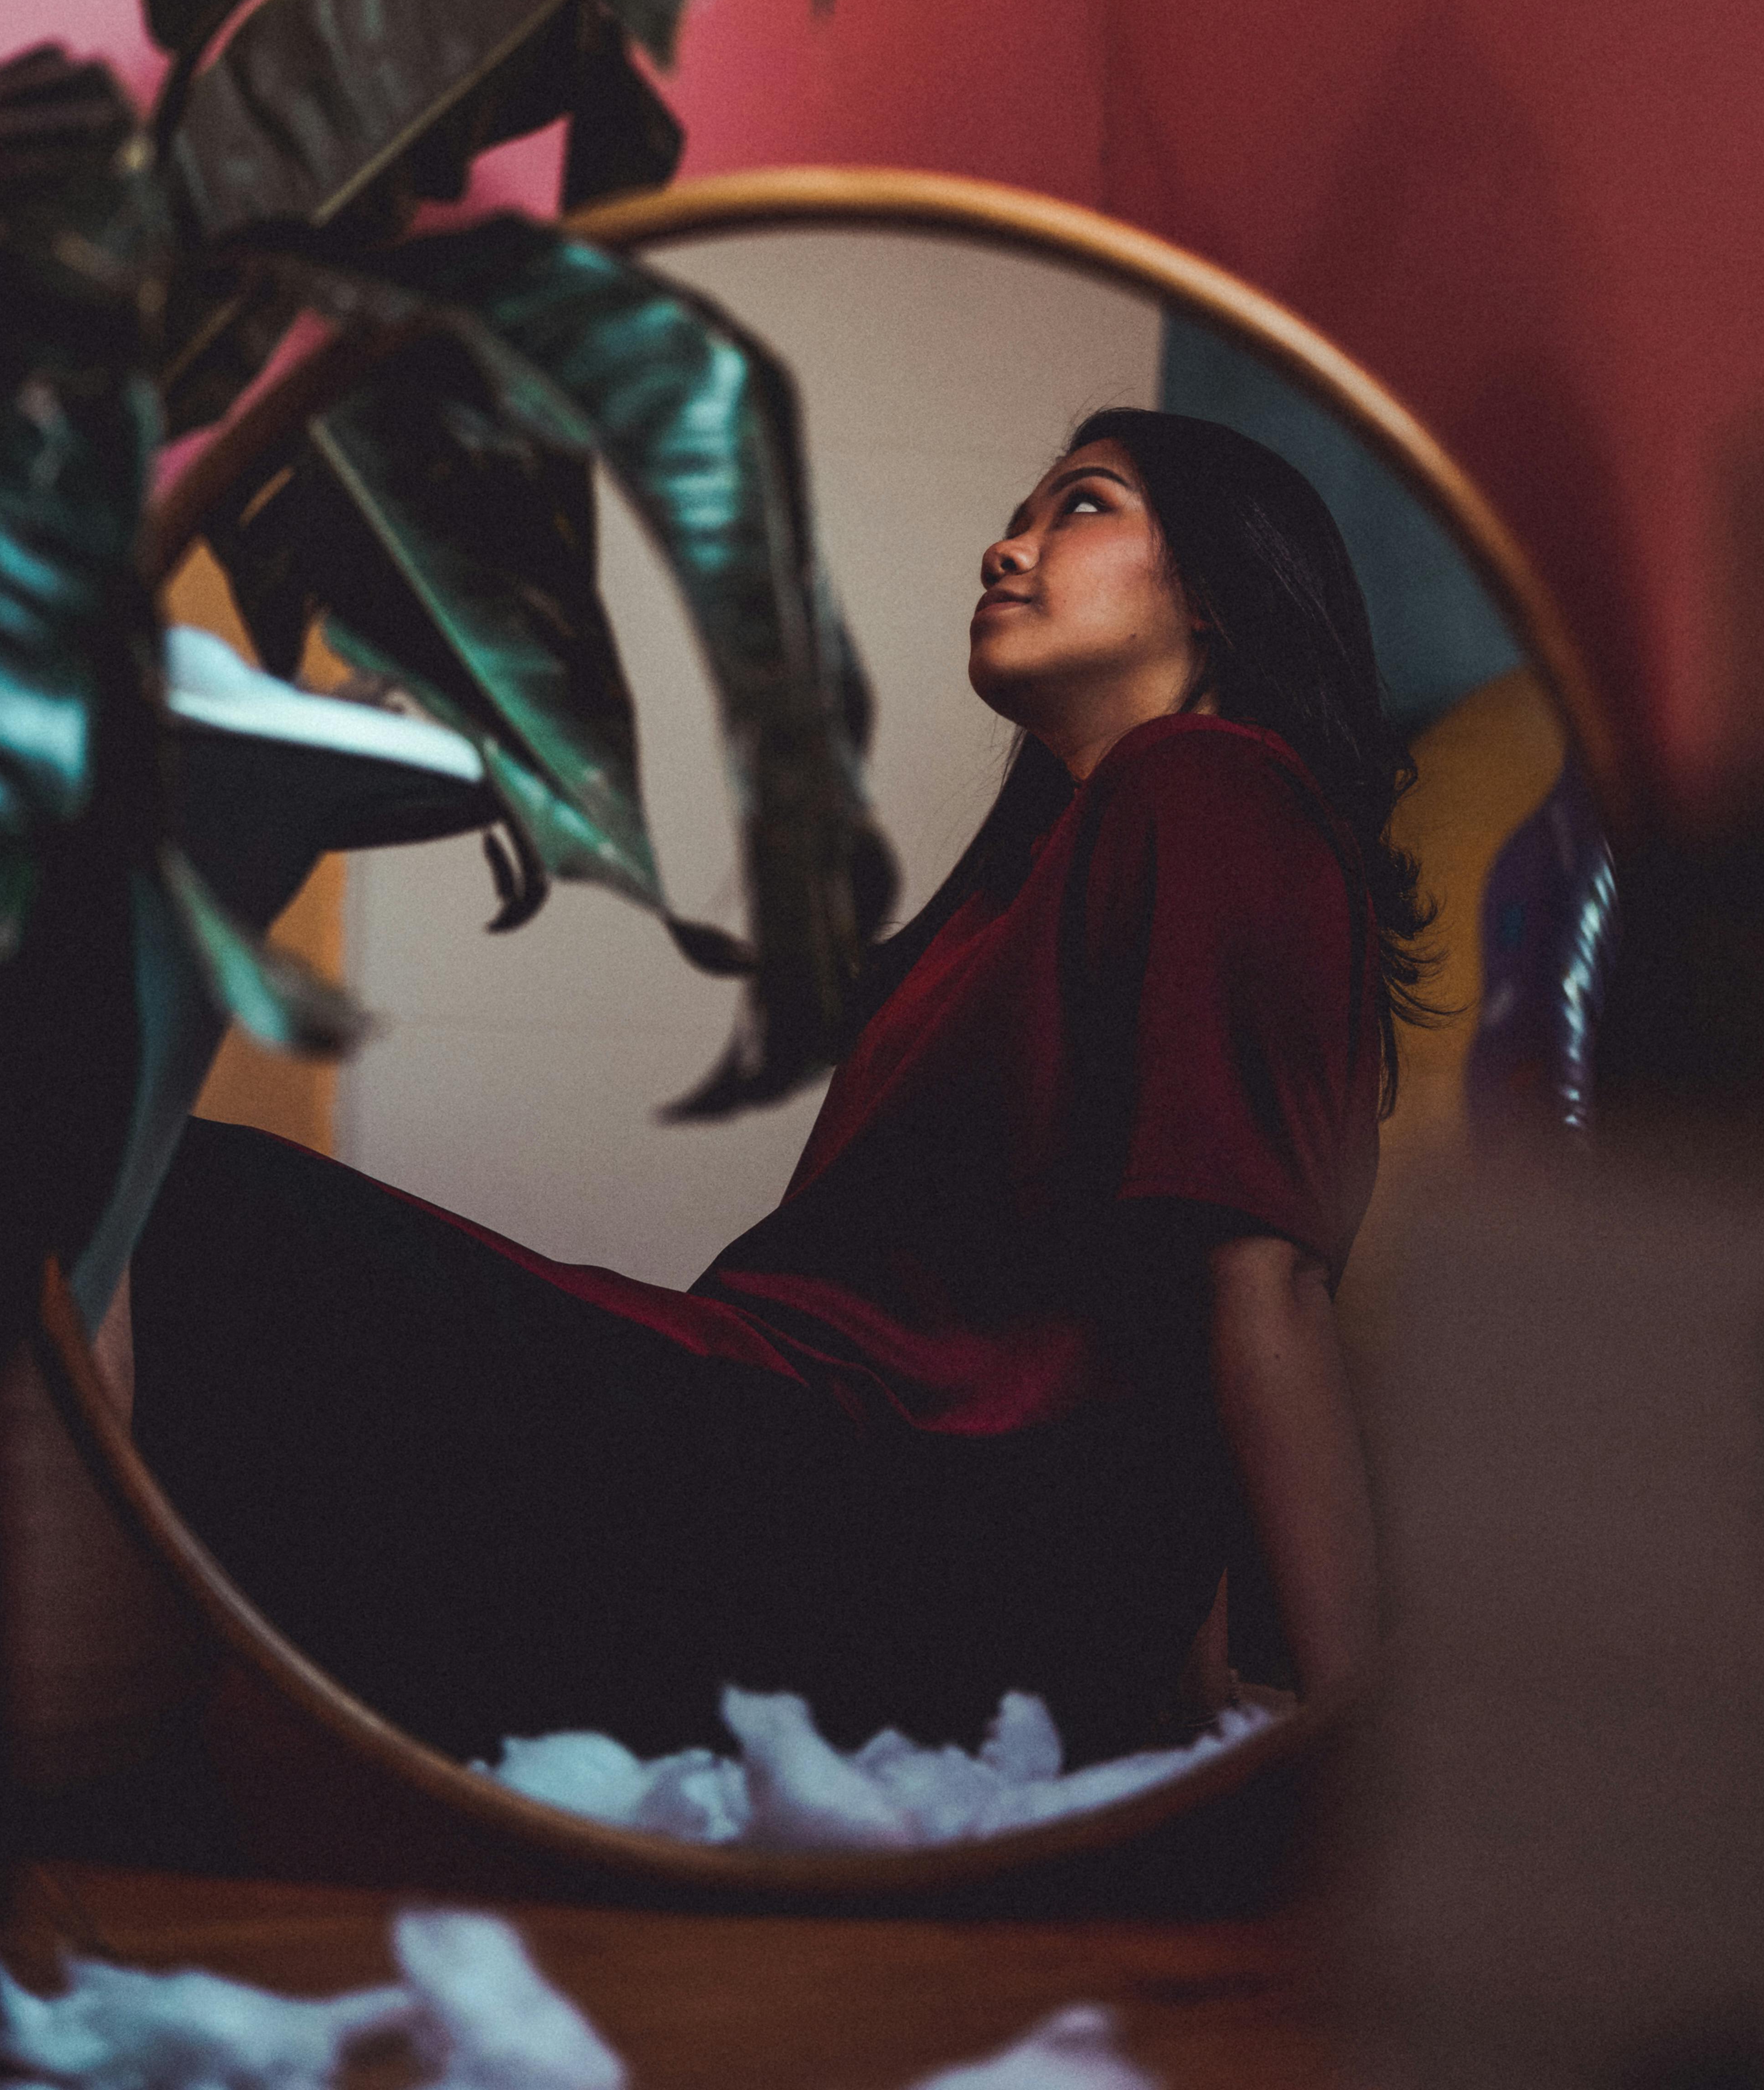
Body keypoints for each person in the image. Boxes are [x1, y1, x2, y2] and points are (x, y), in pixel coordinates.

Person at [131, 410, 1433, 1767]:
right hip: (860, 1479)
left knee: (201, 1213)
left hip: (903, 1519)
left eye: (1084, 506)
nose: (1006, 550)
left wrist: (1355, 1744)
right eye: (1020, 517)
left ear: (1217, 590)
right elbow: (1149, 1337)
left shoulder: (1213, 781)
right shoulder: (1031, 882)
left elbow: (1261, 1284)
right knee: (197, 1214)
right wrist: (1182, 1683)